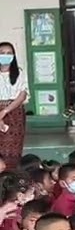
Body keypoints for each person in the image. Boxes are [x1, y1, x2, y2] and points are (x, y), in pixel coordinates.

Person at [0, 42, 28, 170]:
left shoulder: (19, 73)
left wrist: (5, 111)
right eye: (2, 53)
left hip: (14, 113)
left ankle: (9, 176)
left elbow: (22, 95)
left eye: (9, 53)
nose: (5, 56)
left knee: (11, 149)